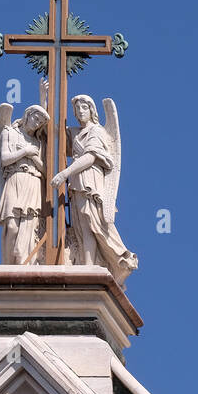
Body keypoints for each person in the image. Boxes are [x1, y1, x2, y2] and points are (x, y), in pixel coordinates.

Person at [51, 94, 137, 282]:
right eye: (77, 109)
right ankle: (87, 263)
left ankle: (119, 257)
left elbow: (90, 157)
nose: (80, 112)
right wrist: (46, 98)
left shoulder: (96, 131)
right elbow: (52, 134)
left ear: (92, 110)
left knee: (94, 222)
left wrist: (65, 173)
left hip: (90, 180)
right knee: (82, 226)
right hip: (76, 182)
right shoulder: (75, 133)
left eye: (84, 108)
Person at [0, 104, 49, 264]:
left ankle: (22, 260)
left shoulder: (39, 143)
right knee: (11, 226)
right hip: (15, 179)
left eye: (40, 122)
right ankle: (8, 264)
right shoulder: (9, 133)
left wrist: (33, 157)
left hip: (33, 181)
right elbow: (4, 159)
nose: (37, 123)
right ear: (28, 115)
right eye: (36, 118)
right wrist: (25, 152)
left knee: (29, 226)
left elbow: (46, 171)